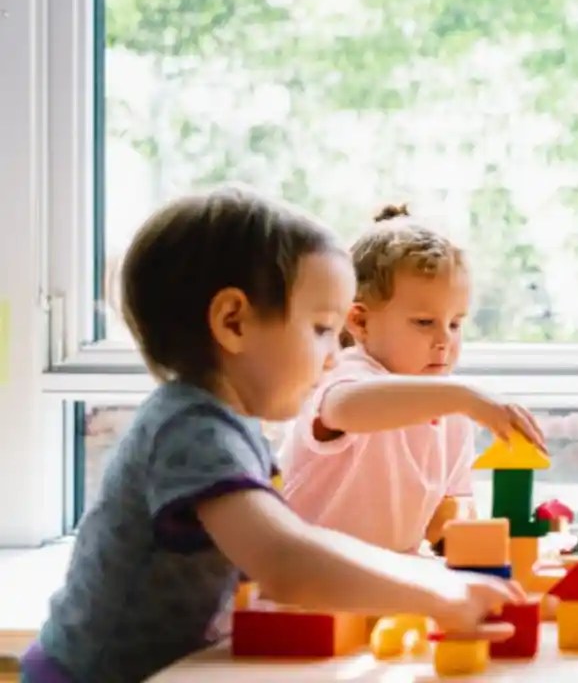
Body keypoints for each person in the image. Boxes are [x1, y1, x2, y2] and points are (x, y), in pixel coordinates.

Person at [21, 189, 519, 683]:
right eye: (322, 328)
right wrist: (436, 594)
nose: (332, 355)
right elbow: (286, 560)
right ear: (232, 322)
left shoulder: (225, 428)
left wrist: (432, 577)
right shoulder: (191, 431)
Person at [280, 205, 544, 554]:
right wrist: (462, 396)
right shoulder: (344, 374)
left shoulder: (451, 413)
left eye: (455, 323)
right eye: (423, 322)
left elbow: (444, 523)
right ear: (359, 322)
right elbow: (346, 408)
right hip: (303, 587)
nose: (445, 340)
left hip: (383, 587)